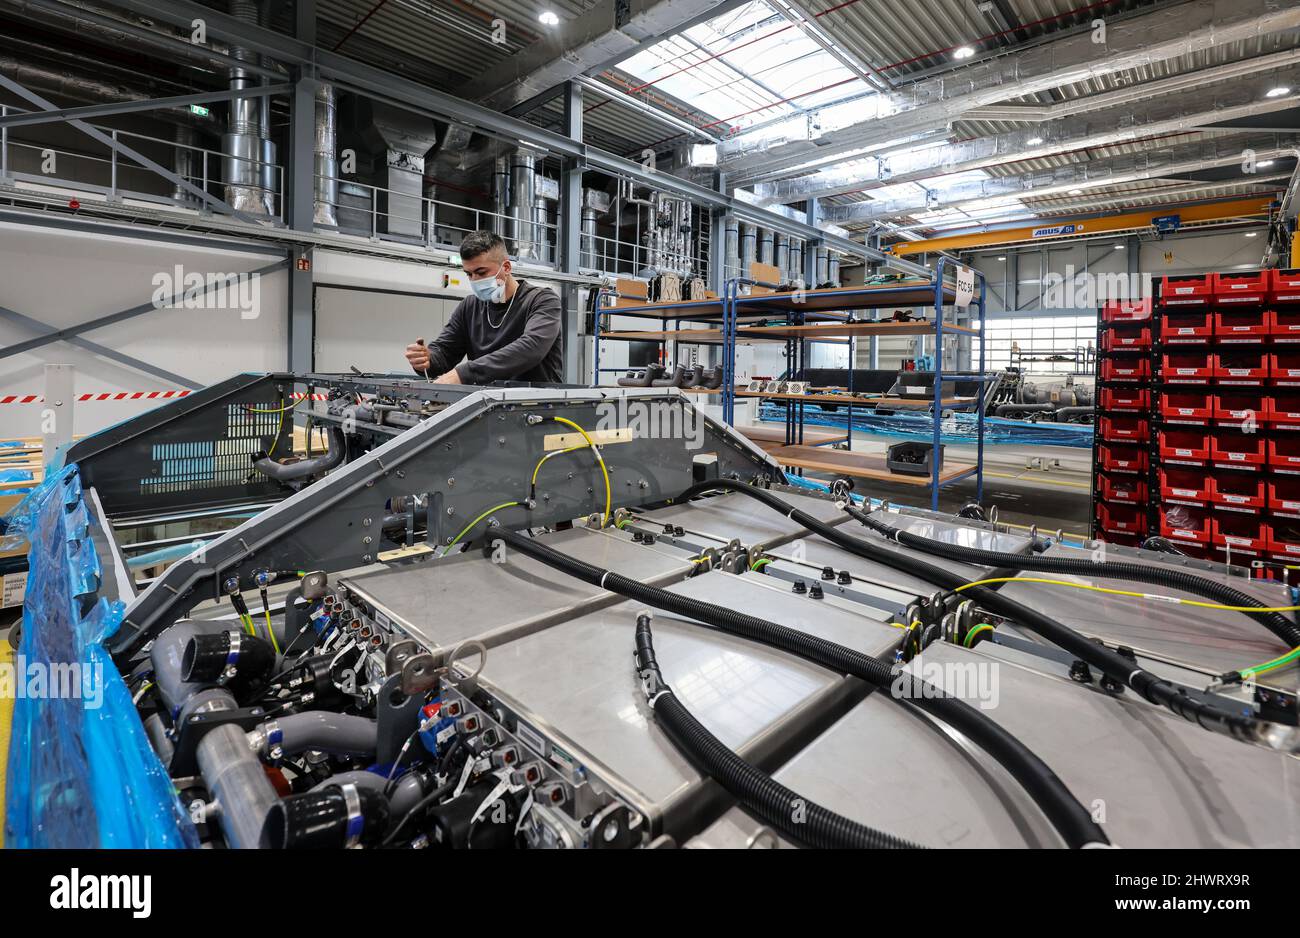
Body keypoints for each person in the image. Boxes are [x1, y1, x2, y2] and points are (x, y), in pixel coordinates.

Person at [404, 231, 563, 384]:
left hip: (537, 406)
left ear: (506, 267)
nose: (475, 280)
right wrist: (426, 359)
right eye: (469, 274)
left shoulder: (542, 301)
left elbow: (531, 348)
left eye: (481, 272)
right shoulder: (469, 307)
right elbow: (444, 353)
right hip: (488, 406)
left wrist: (465, 373)